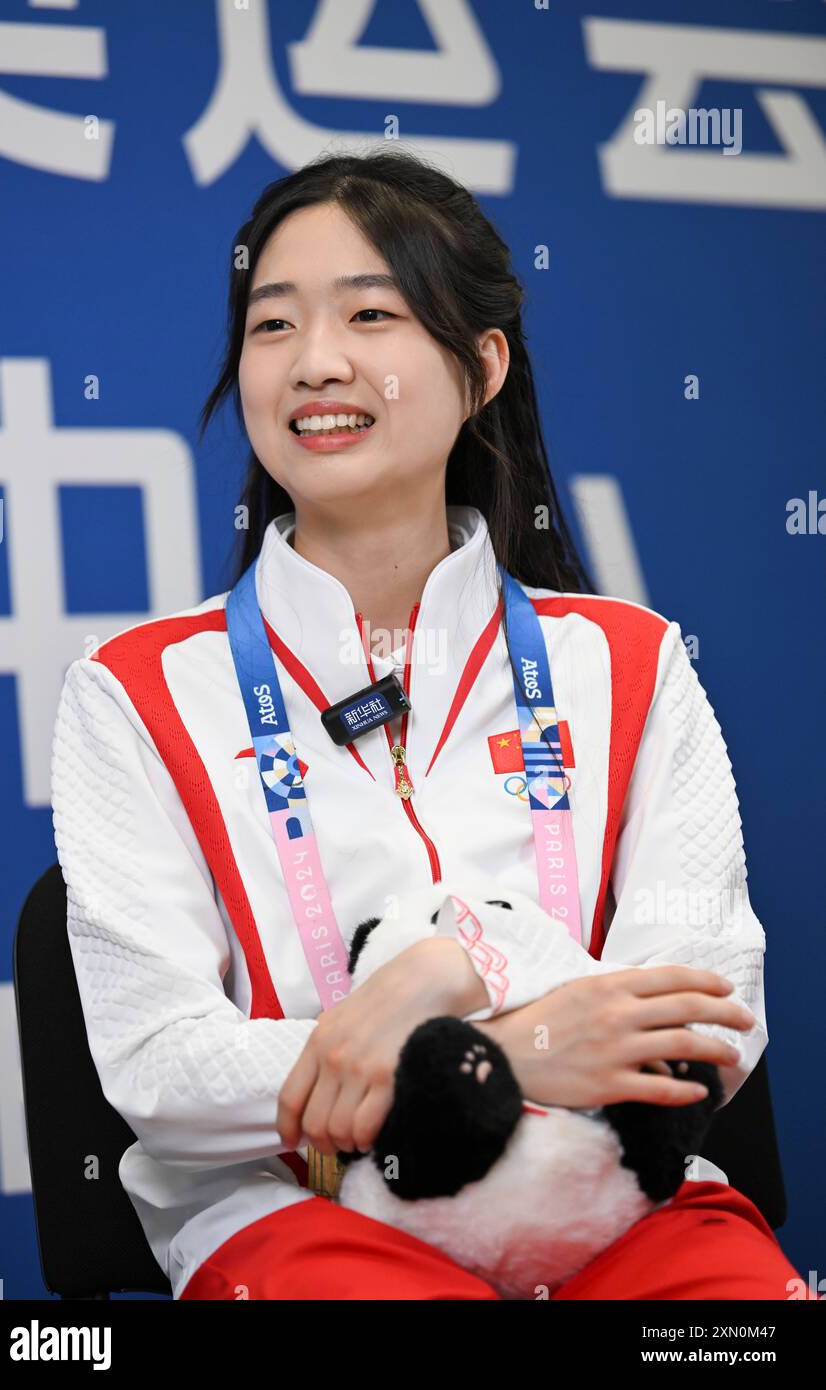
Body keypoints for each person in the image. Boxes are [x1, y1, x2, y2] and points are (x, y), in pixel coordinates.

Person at [50, 148, 813, 1302]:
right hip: (299, 1215)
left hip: (616, 1202)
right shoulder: (135, 691)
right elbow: (162, 1068)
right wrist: (498, 1054)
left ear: (480, 365)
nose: (315, 362)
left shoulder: (627, 660)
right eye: (272, 326)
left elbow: (700, 1007)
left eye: (369, 313)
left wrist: (454, 966)